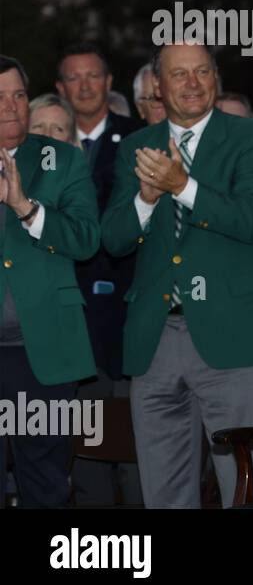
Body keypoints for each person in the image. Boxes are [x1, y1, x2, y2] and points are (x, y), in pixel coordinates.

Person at [100, 43, 253, 507]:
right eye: (179, 74)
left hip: (232, 332)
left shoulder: (251, 138)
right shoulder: (137, 146)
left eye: (202, 71)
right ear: (158, 85)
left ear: (216, 78)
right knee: (164, 490)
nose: (192, 83)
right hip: (154, 338)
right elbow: (113, 240)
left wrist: (183, 186)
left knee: (246, 485)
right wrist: (146, 198)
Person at [0, 56, 99, 507]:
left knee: (44, 481)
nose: (12, 107)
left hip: (42, 352)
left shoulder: (63, 159)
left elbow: (85, 239)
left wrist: (26, 208)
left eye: (19, 95)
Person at [56, 43, 144, 382]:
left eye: (93, 76)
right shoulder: (45, 141)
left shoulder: (139, 137)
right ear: (60, 88)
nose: (85, 86)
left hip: (126, 300)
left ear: (108, 81)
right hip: (65, 302)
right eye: (74, 78)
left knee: (123, 424)